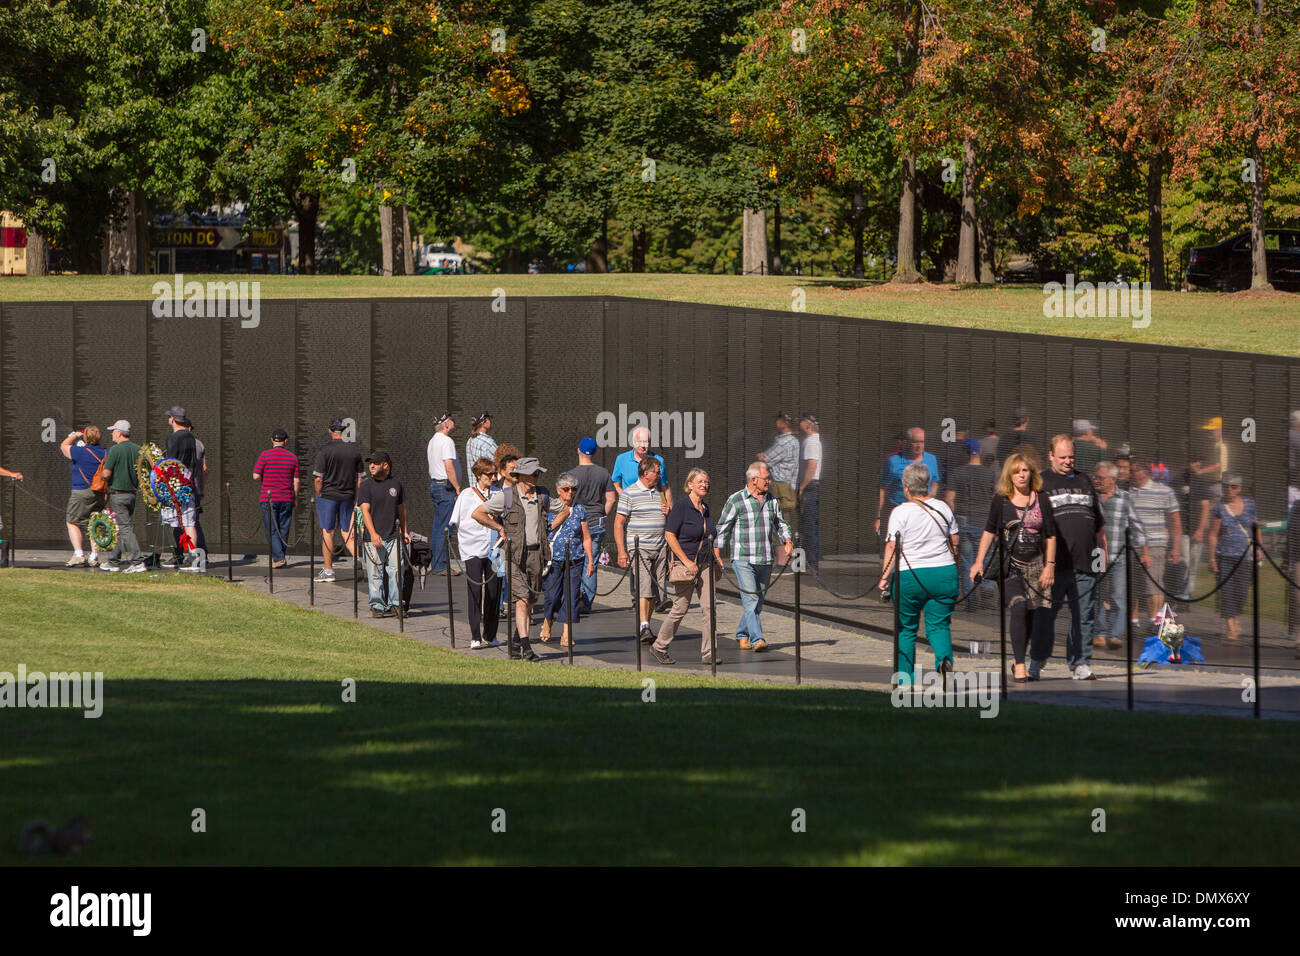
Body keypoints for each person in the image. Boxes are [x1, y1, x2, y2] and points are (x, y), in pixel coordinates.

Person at [970, 452, 1058, 682]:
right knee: (1018, 607)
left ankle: (1020, 657)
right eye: (1016, 471)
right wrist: (978, 562)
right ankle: (1020, 665)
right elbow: (989, 531)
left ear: (1031, 473)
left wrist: (1050, 565)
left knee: (1032, 615)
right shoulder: (1001, 500)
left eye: (1025, 470)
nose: (1021, 475)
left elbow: (1050, 535)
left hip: (1037, 567)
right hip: (1010, 566)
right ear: (1009, 474)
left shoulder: (1042, 499)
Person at [1032, 434, 1106, 681]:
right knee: (1045, 616)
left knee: (1083, 617)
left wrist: (1101, 558)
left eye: (1071, 456)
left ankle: (1081, 663)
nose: (1068, 461)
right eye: (1062, 457)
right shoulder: (1041, 482)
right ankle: (1037, 660)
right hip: (1052, 566)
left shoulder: (1085, 480)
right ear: (1051, 455)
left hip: (1084, 563)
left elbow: (1099, 526)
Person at [879, 462, 959, 684]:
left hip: (910, 576)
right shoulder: (943, 508)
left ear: (906, 487)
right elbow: (955, 541)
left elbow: (892, 547)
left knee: (906, 627)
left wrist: (884, 577)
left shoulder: (900, 512)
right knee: (939, 624)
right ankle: (943, 661)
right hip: (943, 573)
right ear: (928, 484)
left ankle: (905, 679)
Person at [472, 456, 552, 661]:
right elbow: (478, 513)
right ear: (522, 476)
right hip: (513, 555)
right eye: (534, 473)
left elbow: (565, 510)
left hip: (536, 555)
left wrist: (550, 528)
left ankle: (517, 641)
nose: (537, 476)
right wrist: (499, 527)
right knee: (522, 599)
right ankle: (527, 647)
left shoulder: (543, 495)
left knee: (531, 600)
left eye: (538, 473)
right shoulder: (506, 496)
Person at [714, 462, 793, 653]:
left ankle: (742, 634)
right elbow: (722, 528)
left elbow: (780, 524)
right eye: (766, 478)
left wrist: (788, 540)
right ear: (753, 480)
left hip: (765, 558)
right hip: (743, 558)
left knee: (758, 601)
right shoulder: (736, 500)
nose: (769, 481)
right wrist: (716, 553)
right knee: (750, 599)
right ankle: (757, 639)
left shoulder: (772, 500)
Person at [656, 468, 720, 665]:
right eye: (700, 481)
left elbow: (710, 537)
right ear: (690, 484)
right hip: (685, 565)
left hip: (705, 563)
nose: (704, 485)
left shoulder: (705, 508)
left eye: (706, 482)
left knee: (710, 608)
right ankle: (659, 646)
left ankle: (709, 652)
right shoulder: (681, 507)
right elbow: (669, 535)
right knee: (680, 607)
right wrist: (686, 561)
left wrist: (716, 562)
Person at [1092, 461, 1150, 649]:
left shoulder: (1124, 498)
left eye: (1100, 478)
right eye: (1096, 477)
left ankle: (1115, 635)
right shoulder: (1091, 497)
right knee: (1097, 595)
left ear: (1112, 479)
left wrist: (1144, 551)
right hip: (1097, 554)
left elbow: (1137, 526)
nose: (1096, 480)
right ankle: (1099, 633)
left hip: (1119, 555)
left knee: (1118, 595)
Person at [615, 457, 670, 644]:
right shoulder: (629, 494)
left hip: (660, 546)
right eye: (657, 471)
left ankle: (646, 624)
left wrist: (667, 512)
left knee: (655, 590)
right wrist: (622, 551)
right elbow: (618, 523)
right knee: (644, 587)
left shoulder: (659, 492)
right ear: (646, 473)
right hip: (640, 548)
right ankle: (644, 625)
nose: (659, 475)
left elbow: (666, 519)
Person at [450, 457, 501, 649]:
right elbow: (456, 520)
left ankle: (490, 632)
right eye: (490, 474)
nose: (494, 477)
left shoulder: (499, 493)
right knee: (474, 590)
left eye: (495, 473)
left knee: (494, 591)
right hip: (472, 548)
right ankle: (475, 635)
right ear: (479, 475)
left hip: (495, 548)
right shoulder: (466, 495)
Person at [539, 472, 594, 647]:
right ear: (558, 490)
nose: (570, 492)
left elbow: (586, 537)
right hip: (554, 559)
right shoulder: (548, 507)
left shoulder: (580, 510)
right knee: (553, 596)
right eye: (566, 489)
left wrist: (590, 560)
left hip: (575, 560)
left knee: (571, 597)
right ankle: (547, 622)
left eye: (573, 489)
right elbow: (543, 532)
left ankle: (566, 634)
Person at [1129, 457, 1183, 624]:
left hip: (1155, 545)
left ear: (1144, 472)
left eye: (1133, 471)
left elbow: (1175, 521)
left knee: (1153, 584)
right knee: (1133, 585)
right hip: (1132, 545)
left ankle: (1154, 621)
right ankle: (1134, 621)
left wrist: (1176, 548)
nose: (1130, 474)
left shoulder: (1164, 491)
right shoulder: (1127, 493)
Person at [944, 438, 995, 610]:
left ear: (965, 452)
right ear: (980, 451)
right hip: (984, 520)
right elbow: (993, 498)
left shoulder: (956, 472)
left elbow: (949, 499)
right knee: (985, 557)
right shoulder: (989, 473)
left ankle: (971, 597)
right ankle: (987, 590)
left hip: (963, 518)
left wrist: (953, 520)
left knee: (966, 560)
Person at [357, 450, 409, 618]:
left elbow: (401, 509)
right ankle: (377, 605)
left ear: (385, 465)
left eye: (375, 462)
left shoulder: (396, 484)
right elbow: (365, 511)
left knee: (395, 571)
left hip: (393, 536)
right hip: (373, 538)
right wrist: (373, 534)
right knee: (375, 573)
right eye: (370, 462)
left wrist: (404, 531)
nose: (371, 465)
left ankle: (396, 604)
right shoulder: (366, 485)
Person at [1207, 473, 1258, 642]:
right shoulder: (1219, 508)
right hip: (1225, 556)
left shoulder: (1250, 504)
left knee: (1242, 591)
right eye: (1226, 486)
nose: (1229, 490)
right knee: (1227, 592)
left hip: (1245, 556)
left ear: (1240, 488)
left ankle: (1235, 617)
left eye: (1233, 486)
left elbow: (1255, 528)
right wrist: (1212, 558)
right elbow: (1213, 534)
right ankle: (1230, 625)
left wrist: (1260, 548)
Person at [313, 418, 364, 582]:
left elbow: (318, 479)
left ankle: (328, 571)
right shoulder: (354, 451)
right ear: (343, 431)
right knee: (347, 532)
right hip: (348, 496)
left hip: (328, 496)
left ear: (330, 431)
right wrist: (356, 497)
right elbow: (360, 479)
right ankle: (358, 561)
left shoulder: (324, 451)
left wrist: (319, 493)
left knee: (328, 531)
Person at [571, 436, 616, 613]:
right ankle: (587, 604)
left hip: (577, 521)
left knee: (574, 561)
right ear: (595, 453)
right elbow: (611, 499)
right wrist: (601, 514)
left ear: (578, 450)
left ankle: (574, 600)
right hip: (596, 521)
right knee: (592, 561)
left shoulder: (572, 474)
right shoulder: (603, 473)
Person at [97, 421, 147, 573]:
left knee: (125, 528)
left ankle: (138, 561)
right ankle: (113, 561)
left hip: (118, 495)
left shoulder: (115, 450)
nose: (111, 433)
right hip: (132, 494)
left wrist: (103, 478)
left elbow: (106, 474)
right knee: (122, 527)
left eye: (113, 431)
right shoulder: (138, 450)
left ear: (119, 432)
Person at [1186, 415, 1226, 597]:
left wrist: (1201, 470)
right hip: (1214, 486)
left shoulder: (1221, 446)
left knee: (1213, 526)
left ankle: (1214, 557)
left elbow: (1219, 466)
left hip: (1218, 487)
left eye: (1212, 429)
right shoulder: (1215, 446)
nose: (1210, 433)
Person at [876, 426, 939, 538]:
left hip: (922, 512)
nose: (919, 446)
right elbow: (883, 489)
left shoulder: (931, 460)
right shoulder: (893, 461)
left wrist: (929, 499)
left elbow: (935, 482)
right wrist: (878, 517)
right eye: (915, 442)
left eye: (922, 442)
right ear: (907, 442)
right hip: (898, 510)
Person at [59, 426, 107, 567]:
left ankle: (79, 554)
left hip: (81, 491)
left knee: (72, 521)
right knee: (94, 523)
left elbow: (63, 446)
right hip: (99, 492)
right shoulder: (106, 453)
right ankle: (94, 556)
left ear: (86, 438)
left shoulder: (79, 452)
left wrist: (74, 435)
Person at [253, 428, 299, 568]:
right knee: (284, 529)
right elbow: (296, 481)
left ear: (272, 440)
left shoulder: (265, 456)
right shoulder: (292, 457)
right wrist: (295, 498)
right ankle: (281, 557)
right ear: (286, 441)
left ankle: (279, 558)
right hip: (286, 497)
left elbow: (256, 476)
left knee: (271, 529)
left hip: (269, 498)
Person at [163, 405, 201, 566]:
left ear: (173, 419)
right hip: (188, 483)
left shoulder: (173, 438)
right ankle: (193, 556)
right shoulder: (190, 437)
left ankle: (167, 555)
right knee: (189, 523)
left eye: (169, 417)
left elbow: (170, 463)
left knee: (168, 521)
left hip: (174, 485)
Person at [426, 412, 461, 576]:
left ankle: (437, 562)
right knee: (445, 527)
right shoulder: (447, 441)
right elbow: (449, 466)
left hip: (436, 486)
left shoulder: (433, 441)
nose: (454, 423)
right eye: (452, 420)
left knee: (438, 527)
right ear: (446, 424)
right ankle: (440, 565)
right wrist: (457, 487)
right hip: (445, 487)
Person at [756, 413, 800, 535]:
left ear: (784, 423)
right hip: (789, 486)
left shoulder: (783, 443)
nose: (775, 423)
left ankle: (782, 552)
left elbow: (764, 459)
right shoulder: (794, 441)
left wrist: (761, 456)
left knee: (779, 521)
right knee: (787, 520)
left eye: (778, 420)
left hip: (780, 487)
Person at [611, 427, 670, 507]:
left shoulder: (659, 460)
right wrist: (623, 496)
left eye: (645, 442)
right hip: (629, 506)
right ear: (633, 442)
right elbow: (616, 483)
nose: (642, 445)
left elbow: (665, 487)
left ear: (650, 442)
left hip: (652, 506)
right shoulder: (621, 459)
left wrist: (667, 508)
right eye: (639, 441)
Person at [797, 413, 822, 570]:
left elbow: (811, 466)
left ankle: (811, 562)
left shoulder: (811, 442)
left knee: (808, 526)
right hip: (812, 487)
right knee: (810, 525)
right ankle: (810, 561)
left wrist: (801, 486)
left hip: (810, 487)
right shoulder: (814, 441)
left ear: (808, 425)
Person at [184, 418, 208, 552]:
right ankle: (201, 552)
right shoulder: (200, 444)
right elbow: (204, 469)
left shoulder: (192, 444)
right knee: (193, 522)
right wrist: (203, 488)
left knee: (190, 523)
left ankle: (201, 552)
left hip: (188, 488)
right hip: (197, 488)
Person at [465, 411, 497, 481]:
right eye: (488, 419)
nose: (490, 421)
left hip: (474, 487)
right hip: (488, 487)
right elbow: (500, 463)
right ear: (483, 423)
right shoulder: (488, 443)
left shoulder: (470, 441)